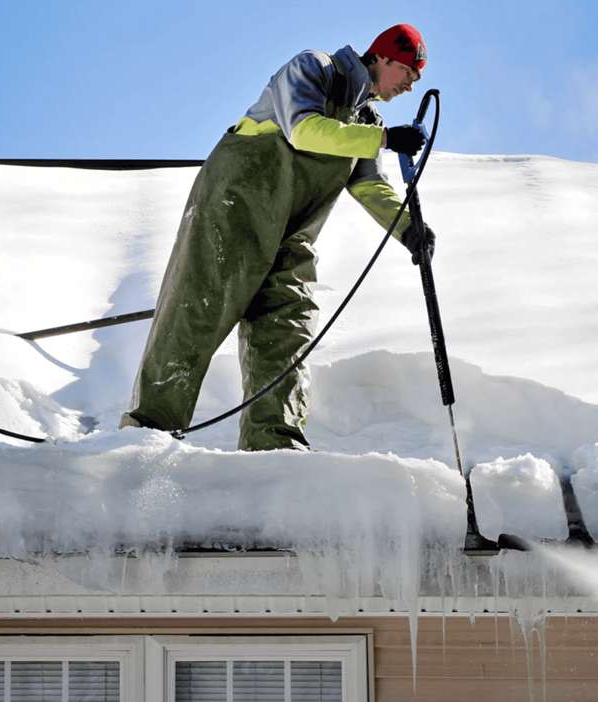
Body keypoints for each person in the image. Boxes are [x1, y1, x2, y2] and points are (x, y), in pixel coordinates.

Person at [121, 23, 436, 451]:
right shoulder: (316, 69)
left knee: (288, 326)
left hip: (290, 231)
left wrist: (407, 231)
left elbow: (368, 186)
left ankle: (274, 449)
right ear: (382, 56)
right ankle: (148, 434)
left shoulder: (365, 119)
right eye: (408, 74)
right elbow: (302, 128)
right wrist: (383, 139)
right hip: (237, 203)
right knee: (200, 308)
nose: (409, 87)